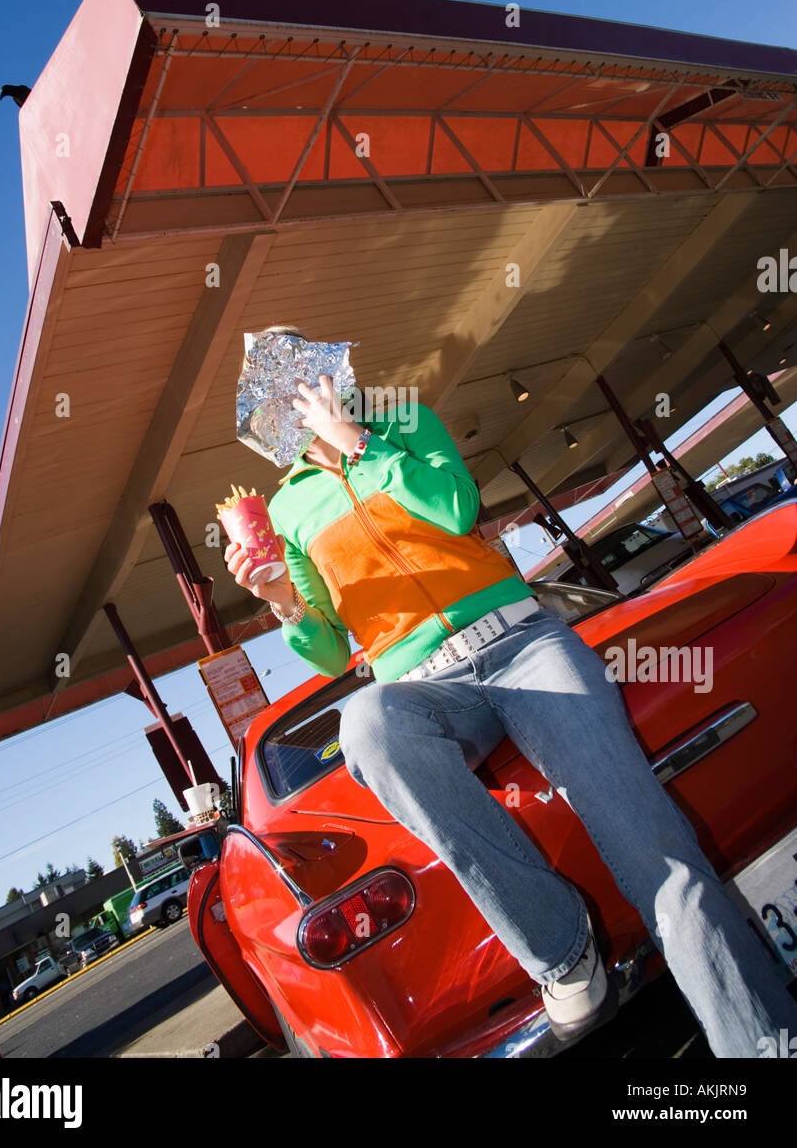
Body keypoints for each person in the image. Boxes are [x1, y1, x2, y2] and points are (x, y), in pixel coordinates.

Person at [224, 326, 797, 1057]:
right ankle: (562, 949)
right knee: (365, 722)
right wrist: (283, 602)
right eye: (284, 392)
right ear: (271, 419)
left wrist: (360, 443)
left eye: (309, 375)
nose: (303, 394)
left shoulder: (400, 423)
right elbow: (330, 648)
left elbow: (454, 509)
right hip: (425, 689)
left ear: (335, 374)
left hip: (524, 645)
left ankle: (764, 1044)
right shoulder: (287, 512)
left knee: (654, 848)